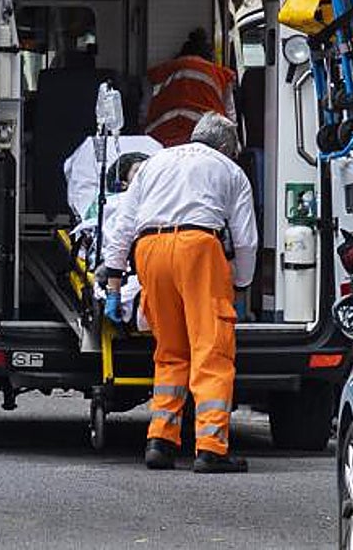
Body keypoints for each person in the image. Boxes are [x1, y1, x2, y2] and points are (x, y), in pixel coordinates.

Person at [100, 112, 258, 473]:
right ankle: (211, 448)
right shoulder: (230, 171)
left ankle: (160, 441)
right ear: (224, 146)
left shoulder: (157, 162)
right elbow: (246, 239)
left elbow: (124, 223)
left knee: (169, 351)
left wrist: (113, 280)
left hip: (150, 250)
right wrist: (241, 281)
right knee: (211, 350)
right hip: (198, 248)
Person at [143, 28, 237, 147]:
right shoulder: (220, 74)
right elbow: (230, 115)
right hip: (207, 137)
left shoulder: (165, 69)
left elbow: (144, 109)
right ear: (209, 56)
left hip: (163, 135)